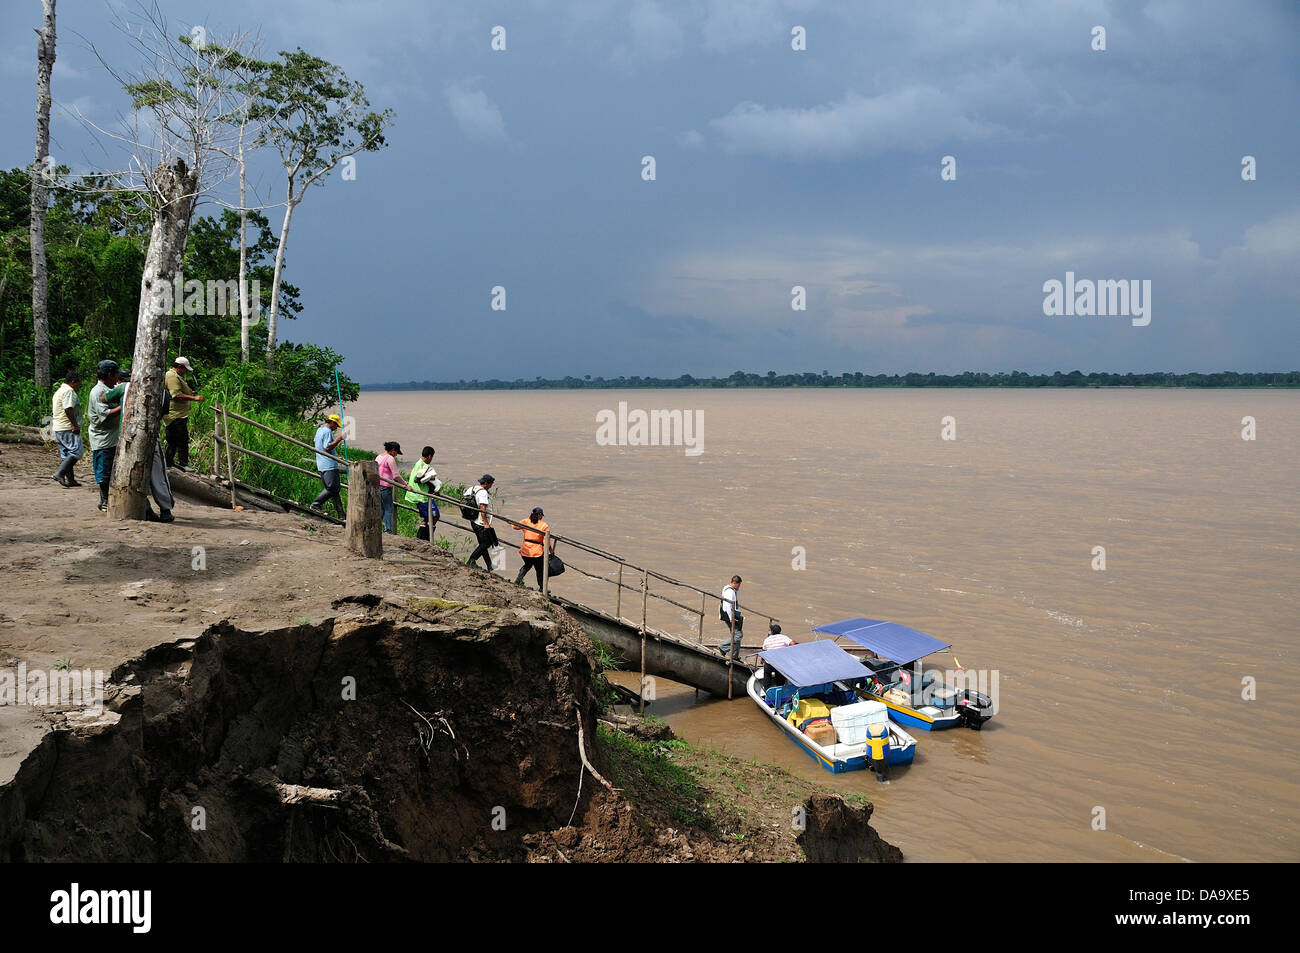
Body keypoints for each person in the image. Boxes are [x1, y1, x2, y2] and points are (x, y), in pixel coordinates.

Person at [99, 369, 174, 521]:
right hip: (151, 438)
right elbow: (163, 414)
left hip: (126, 439)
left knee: (127, 474)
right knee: (158, 476)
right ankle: (165, 510)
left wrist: (122, 402)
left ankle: (144, 507)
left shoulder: (124, 387)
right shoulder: (164, 392)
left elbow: (103, 398)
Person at [87, 360, 124, 511]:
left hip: (112, 436)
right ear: (110, 374)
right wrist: (125, 405)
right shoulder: (98, 392)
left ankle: (109, 499)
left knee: (111, 468)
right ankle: (104, 501)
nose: (117, 379)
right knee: (104, 469)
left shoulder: (108, 389)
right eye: (116, 375)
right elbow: (105, 414)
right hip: (103, 438)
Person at [162, 356, 204, 469]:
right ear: (179, 367)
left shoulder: (176, 376)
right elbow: (176, 395)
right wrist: (194, 398)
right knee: (182, 441)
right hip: (175, 415)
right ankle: (183, 464)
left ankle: (168, 464)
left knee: (173, 442)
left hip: (177, 415)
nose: (185, 372)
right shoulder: (172, 376)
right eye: (185, 369)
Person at [51, 369, 85, 487]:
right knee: (77, 451)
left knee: (66, 453)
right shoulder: (68, 391)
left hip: (59, 426)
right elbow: (68, 408)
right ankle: (60, 473)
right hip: (67, 426)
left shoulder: (60, 390)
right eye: (79, 384)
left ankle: (70, 479)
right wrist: (75, 425)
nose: (79, 387)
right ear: (73, 382)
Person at [309, 414, 346, 518]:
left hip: (322, 463)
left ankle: (341, 515)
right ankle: (316, 504)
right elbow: (328, 447)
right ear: (332, 423)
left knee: (335, 490)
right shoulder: (327, 431)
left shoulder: (320, 430)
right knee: (332, 487)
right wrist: (339, 439)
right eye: (336, 426)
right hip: (328, 464)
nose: (336, 428)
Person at [513, 507, 556, 589]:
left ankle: (518, 581)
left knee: (527, 565)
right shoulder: (544, 525)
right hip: (536, 552)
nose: (542, 517)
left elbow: (514, 526)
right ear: (539, 515)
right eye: (542, 515)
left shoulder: (526, 521)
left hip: (525, 550)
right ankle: (542, 588)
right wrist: (551, 551)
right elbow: (546, 542)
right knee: (539, 569)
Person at [404, 446, 441, 539]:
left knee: (426, 517)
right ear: (429, 456)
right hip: (421, 496)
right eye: (432, 457)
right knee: (435, 516)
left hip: (416, 495)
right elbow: (419, 480)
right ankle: (427, 538)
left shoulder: (418, 464)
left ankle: (420, 538)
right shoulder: (423, 466)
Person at [375, 442, 410, 534]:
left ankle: (376, 527)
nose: (396, 455)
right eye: (396, 452)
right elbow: (396, 475)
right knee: (388, 509)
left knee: (382, 509)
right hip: (386, 487)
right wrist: (406, 484)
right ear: (393, 450)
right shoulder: (390, 458)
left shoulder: (378, 457)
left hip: (377, 486)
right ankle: (388, 530)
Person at [464, 474, 496, 570]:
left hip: (473, 519)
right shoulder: (483, 493)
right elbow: (483, 508)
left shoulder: (472, 488)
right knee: (487, 543)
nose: (491, 486)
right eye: (491, 484)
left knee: (483, 543)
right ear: (486, 483)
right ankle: (471, 560)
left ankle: (489, 565)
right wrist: (486, 523)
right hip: (480, 522)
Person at [718, 574, 744, 659]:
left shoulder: (728, 588)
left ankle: (734, 656)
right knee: (738, 635)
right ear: (735, 583)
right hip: (729, 615)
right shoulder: (730, 592)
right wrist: (731, 618)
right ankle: (722, 647)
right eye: (739, 585)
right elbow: (728, 606)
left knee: (736, 634)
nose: (739, 587)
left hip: (731, 614)